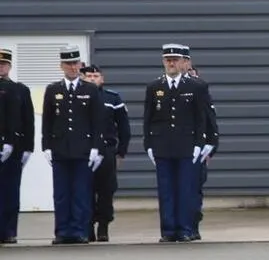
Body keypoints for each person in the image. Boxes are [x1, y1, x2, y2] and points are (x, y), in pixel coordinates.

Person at [143, 44, 214, 243]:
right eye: (168, 59)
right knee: (166, 190)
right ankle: (168, 229)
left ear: (182, 62)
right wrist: (148, 144)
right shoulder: (154, 87)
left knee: (186, 189)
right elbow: (148, 118)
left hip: (187, 145)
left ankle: (185, 229)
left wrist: (201, 143)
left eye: (175, 59)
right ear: (163, 61)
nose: (171, 63)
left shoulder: (196, 86)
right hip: (163, 144)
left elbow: (201, 118)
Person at [41, 46, 105, 244]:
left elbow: (97, 121)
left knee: (81, 193)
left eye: (75, 63)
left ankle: (80, 230)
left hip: (83, 149)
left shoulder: (90, 90)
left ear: (80, 65)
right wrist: (46, 146)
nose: (72, 67)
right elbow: (48, 121)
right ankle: (62, 231)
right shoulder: (53, 90)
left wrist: (96, 147)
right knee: (61, 194)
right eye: (68, 64)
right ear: (61, 66)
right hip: (60, 149)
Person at [80, 65, 131, 242]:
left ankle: (103, 226)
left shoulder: (112, 98)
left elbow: (124, 127)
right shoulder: (78, 97)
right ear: (82, 77)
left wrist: (121, 152)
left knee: (106, 191)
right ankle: (87, 226)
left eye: (96, 76)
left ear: (102, 78)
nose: (93, 79)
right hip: (83, 151)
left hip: (107, 150)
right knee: (85, 190)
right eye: (89, 76)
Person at [182, 49, 219, 240]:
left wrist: (211, 147)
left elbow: (210, 121)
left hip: (199, 148)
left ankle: (193, 224)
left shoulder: (201, 91)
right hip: (181, 145)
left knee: (194, 189)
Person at [0, 48, 33, 244]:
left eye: (4, 64)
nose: (1, 67)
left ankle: (9, 230)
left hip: (14, 149)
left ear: (10, 66)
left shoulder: (20, 89)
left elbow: (28, 121)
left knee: (10, 191)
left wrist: (28, 147)